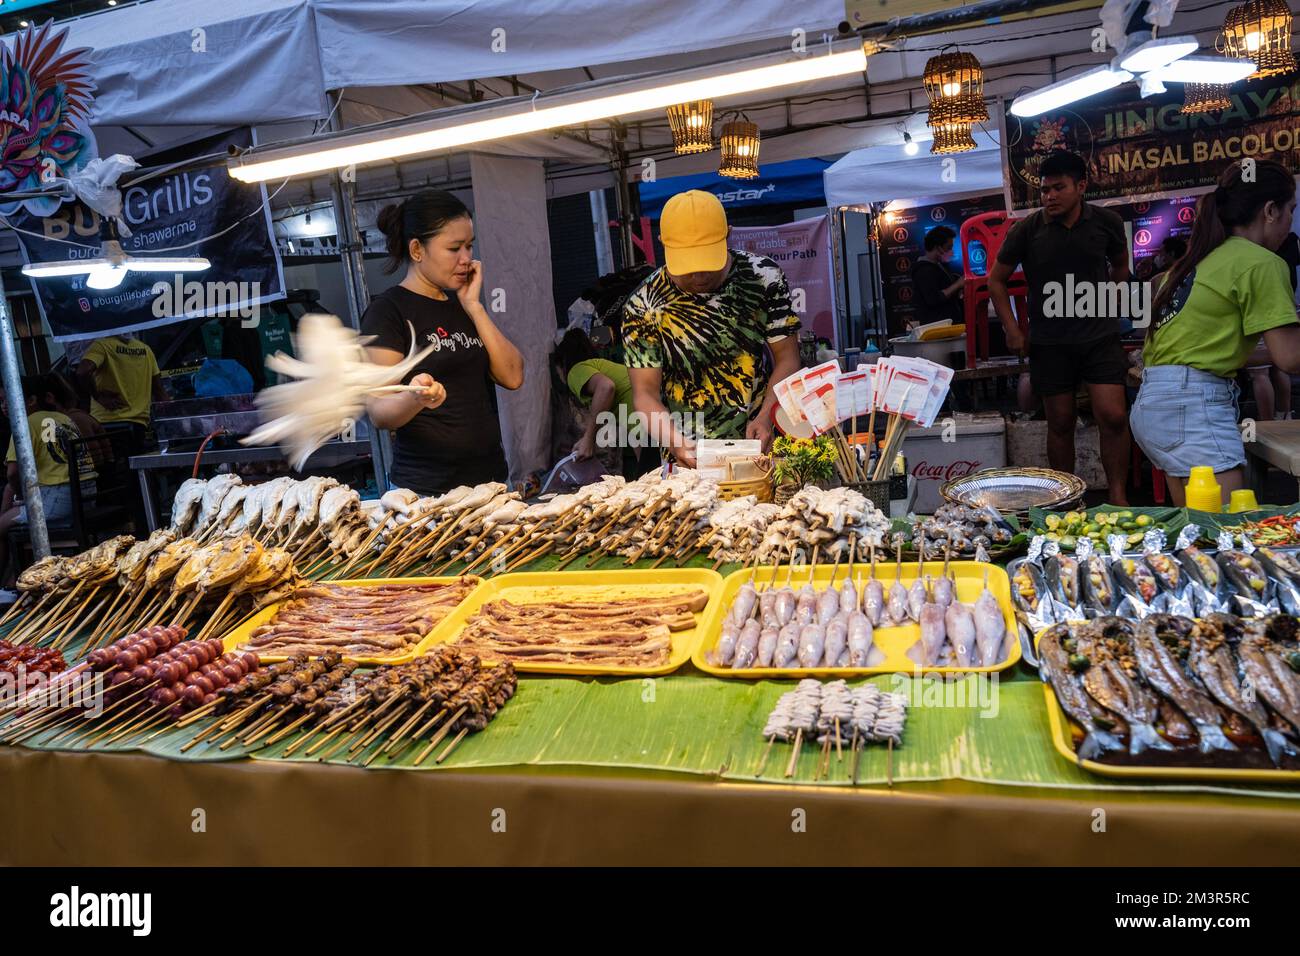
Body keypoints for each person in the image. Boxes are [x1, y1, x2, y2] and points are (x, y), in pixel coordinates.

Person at [1130, 159, 1300, 505]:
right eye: (1290, 210)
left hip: (1158, 403)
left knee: (1199, 532)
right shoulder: (1262, 262)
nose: (1289, 223)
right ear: (1270, 210)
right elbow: (1290, 357)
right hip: (1192, 408)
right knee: (1229, 539)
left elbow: (1212, 346)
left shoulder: (1201, 259)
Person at [987, 150, 1133, 505]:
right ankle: (1067, 499)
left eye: (1058, 188)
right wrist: (1013, 329)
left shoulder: (1107, 223)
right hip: (1050, 341)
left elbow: (1120, 265)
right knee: (1061, 422)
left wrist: (1114, 299)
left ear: (1081, 186)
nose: (1049, 196)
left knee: (1113, 415)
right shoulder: (1026, 230)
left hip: (1099, 335)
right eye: (1044, 190)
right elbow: (996, 281)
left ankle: (1118, 496)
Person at [622, 190, 802, 467]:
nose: (698, 275)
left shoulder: (763, 277)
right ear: (663, 244)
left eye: (706, 261)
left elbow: (788, 358)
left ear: (728, 234)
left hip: (760, 449)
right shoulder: (643, 305)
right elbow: (644, 393)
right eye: (688, 264)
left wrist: (767, 415)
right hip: (687, 460)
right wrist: (675, 442)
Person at [363, 188, 525, 495]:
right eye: (454, 248)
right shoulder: (388, 311)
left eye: (469, 246)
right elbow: (379, 412)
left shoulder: (465, 305)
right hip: (426, 493)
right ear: (417, 250)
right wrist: (416, 398)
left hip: (490, 484)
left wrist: (474, 307)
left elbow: (514, 376)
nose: (467, 259)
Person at [0, 376, 98, 581]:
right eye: (2, 402)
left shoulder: (25, 423)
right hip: (87, 496)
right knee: (11, 498)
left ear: (31, 400)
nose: (4, 407)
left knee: (2, 523)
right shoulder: (62, 418)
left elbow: (12, 473)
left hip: (61, 501)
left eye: (8, 400)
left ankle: (9, 582)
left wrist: (19, 494)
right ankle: (14, 579)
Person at [553, 328, 643, 478]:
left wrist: (588, 438)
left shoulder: (575, 372)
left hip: (643, 418)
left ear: (563, 365)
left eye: (558, 373)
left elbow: (606, 387)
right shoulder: (600, 366)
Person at [76, 334, 167, 444]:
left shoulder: (102, 345)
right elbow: (160, 392)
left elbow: (83, 371)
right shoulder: (146, 350)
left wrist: (98, 396)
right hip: (139, 425)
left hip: (106, 424)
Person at [911, 225, 964, 327]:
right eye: (948, 247)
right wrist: (957, 285)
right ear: (937, 247)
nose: (951, 251)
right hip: (937, 330)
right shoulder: (923, 270)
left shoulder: (940, 266)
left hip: (950, 326)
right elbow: (933, 299)